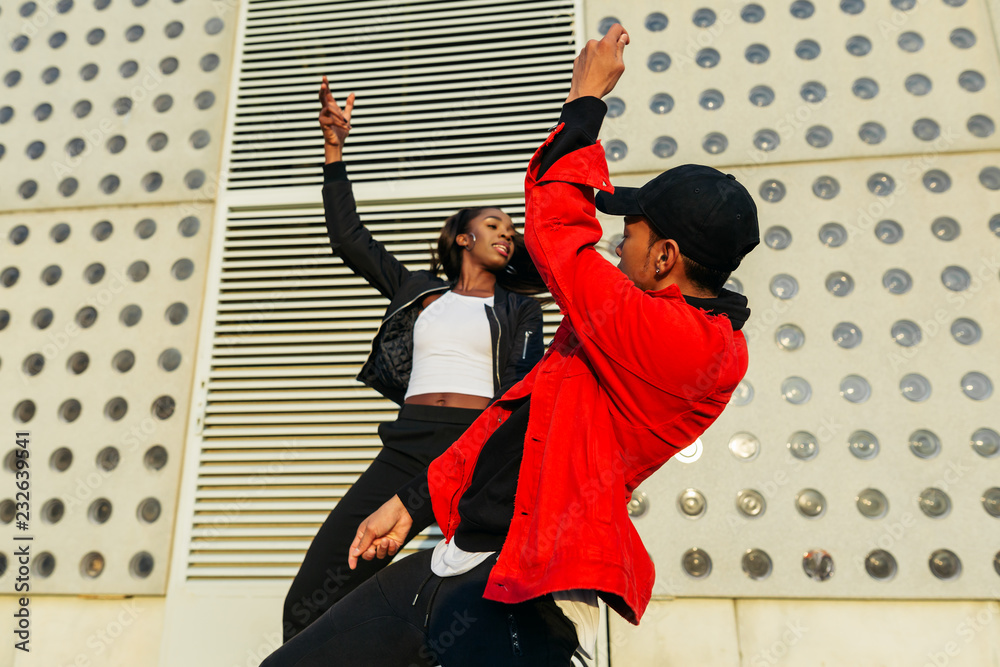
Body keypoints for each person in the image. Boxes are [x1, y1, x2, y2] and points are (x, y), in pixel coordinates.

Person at [264, 23, 759, 666]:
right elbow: (515, 416)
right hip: (444, 521)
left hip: (512, 581)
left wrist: (585, 101)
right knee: (301, 636)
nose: (617, 245)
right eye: (489, 225)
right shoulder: (442, 298)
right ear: (459, 240)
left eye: (630, 233)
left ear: (665, 257)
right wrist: (413, 504)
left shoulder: (673, 338)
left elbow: (558, 233)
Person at [281, 76, 547, 643]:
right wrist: (333, 153)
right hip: (408, 447)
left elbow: (524, 391)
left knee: (463, 608)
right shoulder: (418, 291)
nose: (507, 233)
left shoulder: (520, 309)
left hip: (474, 453)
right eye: (494, 224)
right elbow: (348, 237)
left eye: (512, 229)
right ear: (462, 238)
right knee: (316, 593)